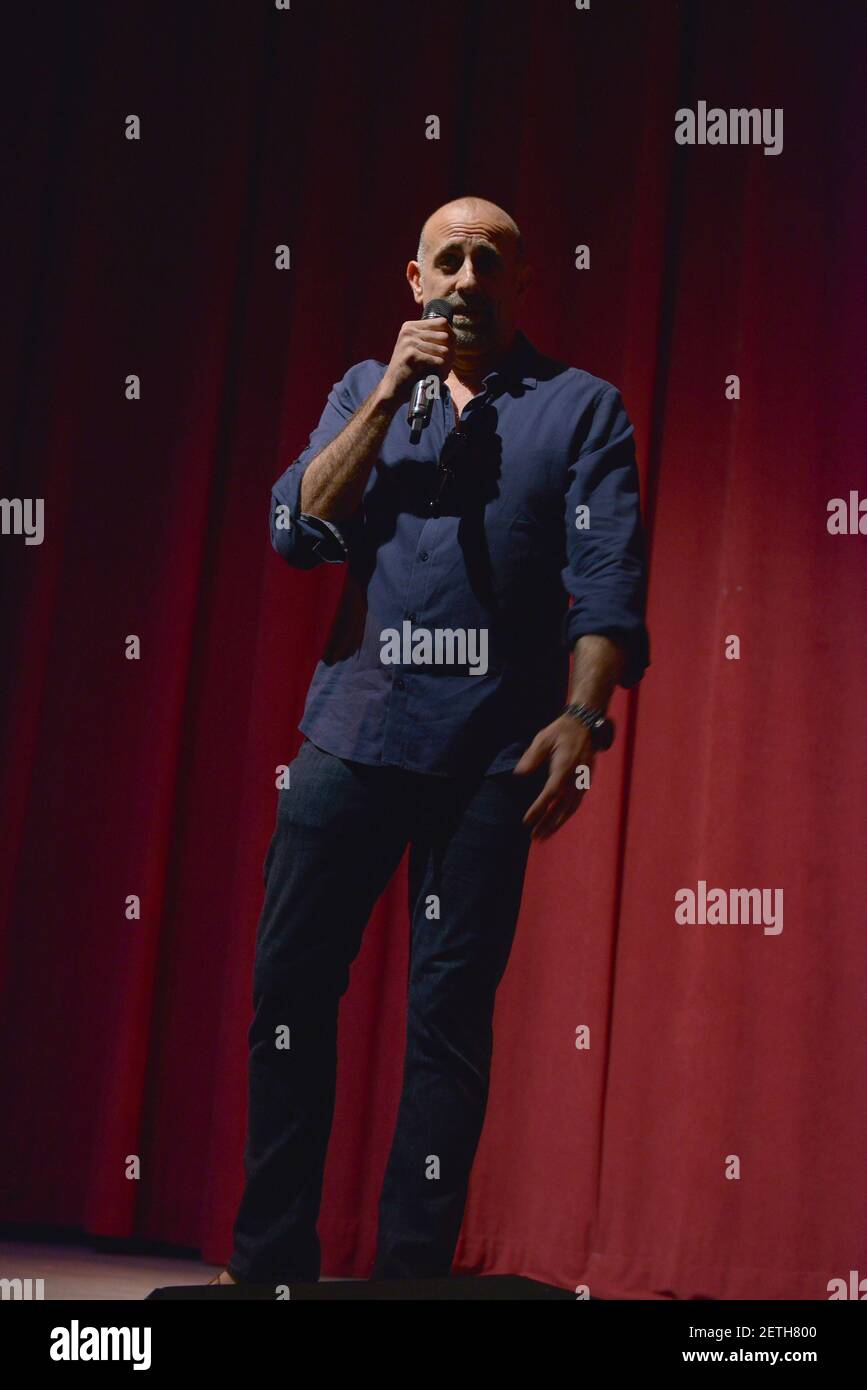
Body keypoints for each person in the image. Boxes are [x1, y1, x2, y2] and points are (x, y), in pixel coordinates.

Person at [209, 196, 650, 1285]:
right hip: (350, 736)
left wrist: (582, 717)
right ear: (414, 281)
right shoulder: (365, 387)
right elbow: (296, 529)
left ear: (520, 282)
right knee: (289, 993)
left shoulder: (581, 408)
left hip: (489, 758)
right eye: (447, 260)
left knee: (447, 1020)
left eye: (488, 261)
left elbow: (606, 584)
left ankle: (411, 1279)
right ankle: (269, 1264)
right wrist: (386, 398)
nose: (465, 278)